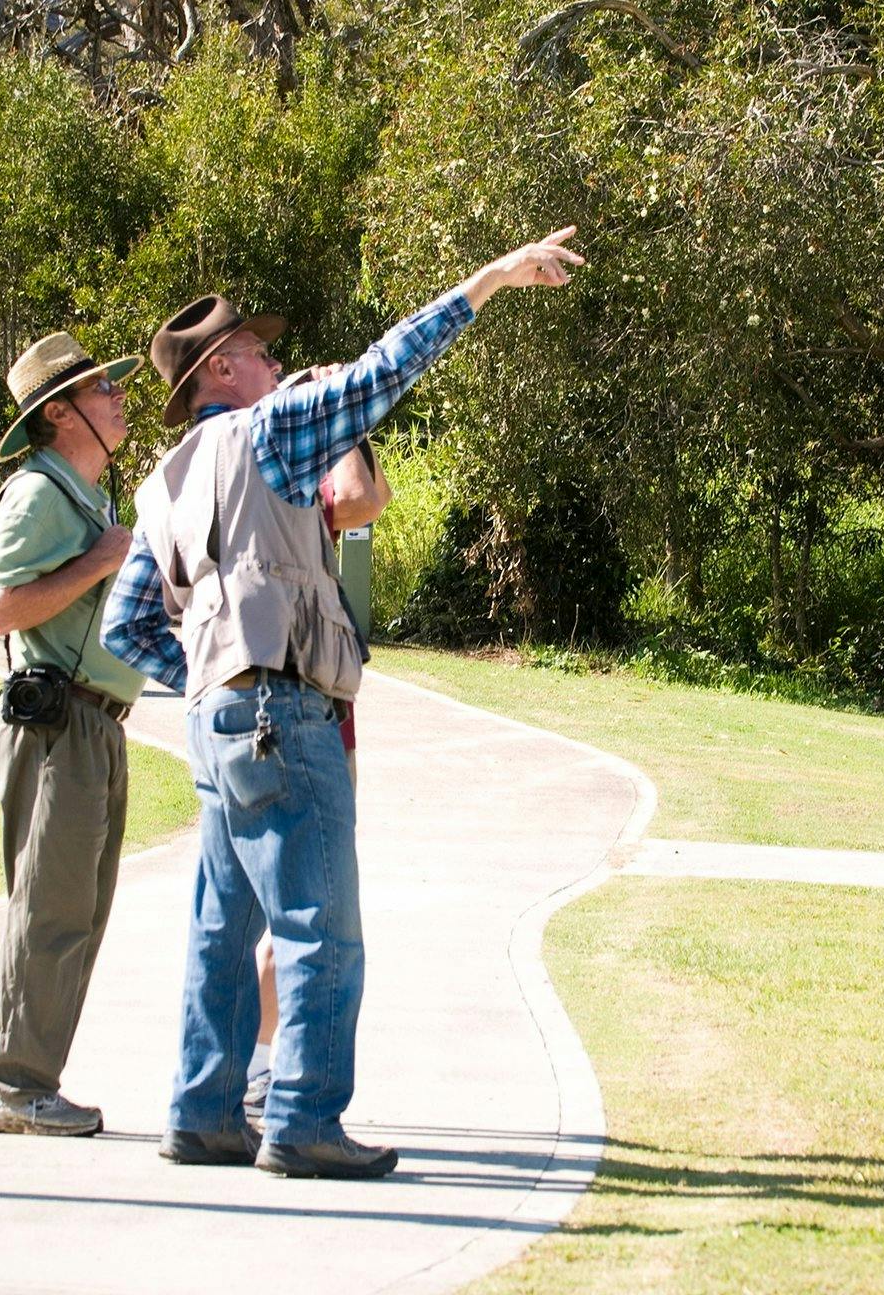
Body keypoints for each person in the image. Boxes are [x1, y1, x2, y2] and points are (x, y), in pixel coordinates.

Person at [104, 228, 581, 1180]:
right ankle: (305, 1122)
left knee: (221, 927)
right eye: (264, 351)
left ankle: (205, 1114)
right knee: (322, 926)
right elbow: (382, 372)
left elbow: (127, 627)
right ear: (226, 366)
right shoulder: (267, 428)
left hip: (217, 724)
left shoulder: (162, 481)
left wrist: (210, 672)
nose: (279, 363)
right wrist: (490, 279)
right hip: (286, 714)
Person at [0, 333, 145, 1137]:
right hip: (58, 725)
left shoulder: (85, 496)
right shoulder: (38, 494)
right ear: (62, 414)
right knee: (51, 908)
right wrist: (102, 560)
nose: (117, 398)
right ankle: (13, 1085)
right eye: (102, 390)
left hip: (95, 725)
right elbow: (0, 610)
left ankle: (33, 1080)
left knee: (79, 909)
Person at [246, 415, 389, 1123]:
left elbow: (372, 494)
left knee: (284, 897)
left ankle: (256, 1066)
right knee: (305, 896)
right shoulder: (282, 475)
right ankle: (264, 1069)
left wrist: (345, 426)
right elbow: (361, 501)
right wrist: (343, 418)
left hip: (316, 696)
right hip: (299, 705)